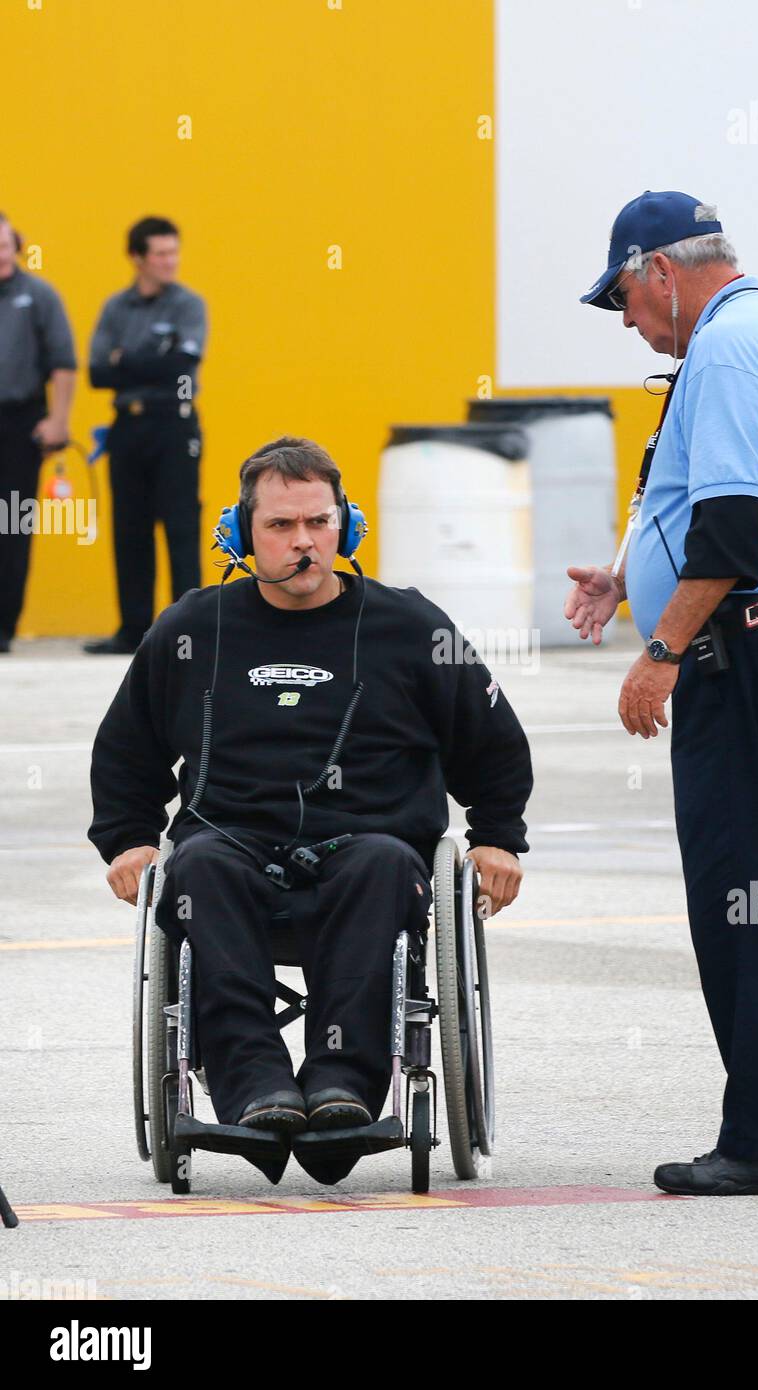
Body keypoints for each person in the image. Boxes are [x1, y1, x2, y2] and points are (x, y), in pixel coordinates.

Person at [88, 436, 532, 1182]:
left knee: (384, 862)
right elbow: (125, 751)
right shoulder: (192, 630)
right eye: (280, 527)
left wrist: (497, 838)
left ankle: (341, 1091)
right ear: (240, 533)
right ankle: (255, 1087)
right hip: (230, 849)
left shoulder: (410, 628)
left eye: (317, 524)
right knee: (194, 862)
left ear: (345, 527)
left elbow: (492, 743)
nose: (302, 543)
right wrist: (129, 841)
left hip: (369, 848)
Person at [567, 190, 758, 1196]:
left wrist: (660, 644)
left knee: (742, 900)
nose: (626, 323)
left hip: (753, 657)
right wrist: (629, 575)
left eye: (621, 297)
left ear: (659, 269)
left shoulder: (728, 351)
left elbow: (731, 532)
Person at [85, 216, 207, 655]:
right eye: (160, 254)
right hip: (128, 425)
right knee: (129, 528)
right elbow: (97, 372)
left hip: (174, 423)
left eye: (174, 252)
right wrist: (153, 356)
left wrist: (126, 360)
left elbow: (181, 366)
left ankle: (187, 630)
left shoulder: (189, 305)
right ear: (137, 257)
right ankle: (132, 629)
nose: (170, 262)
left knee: (180, 525)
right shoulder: (116, 308)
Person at [0, 211, 77, 653]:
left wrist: (59, 420)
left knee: (11, 523)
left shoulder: (39, 295)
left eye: (5, 242)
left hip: (19, 421)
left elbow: (63, 361)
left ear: (16, 244)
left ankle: (4, 624)